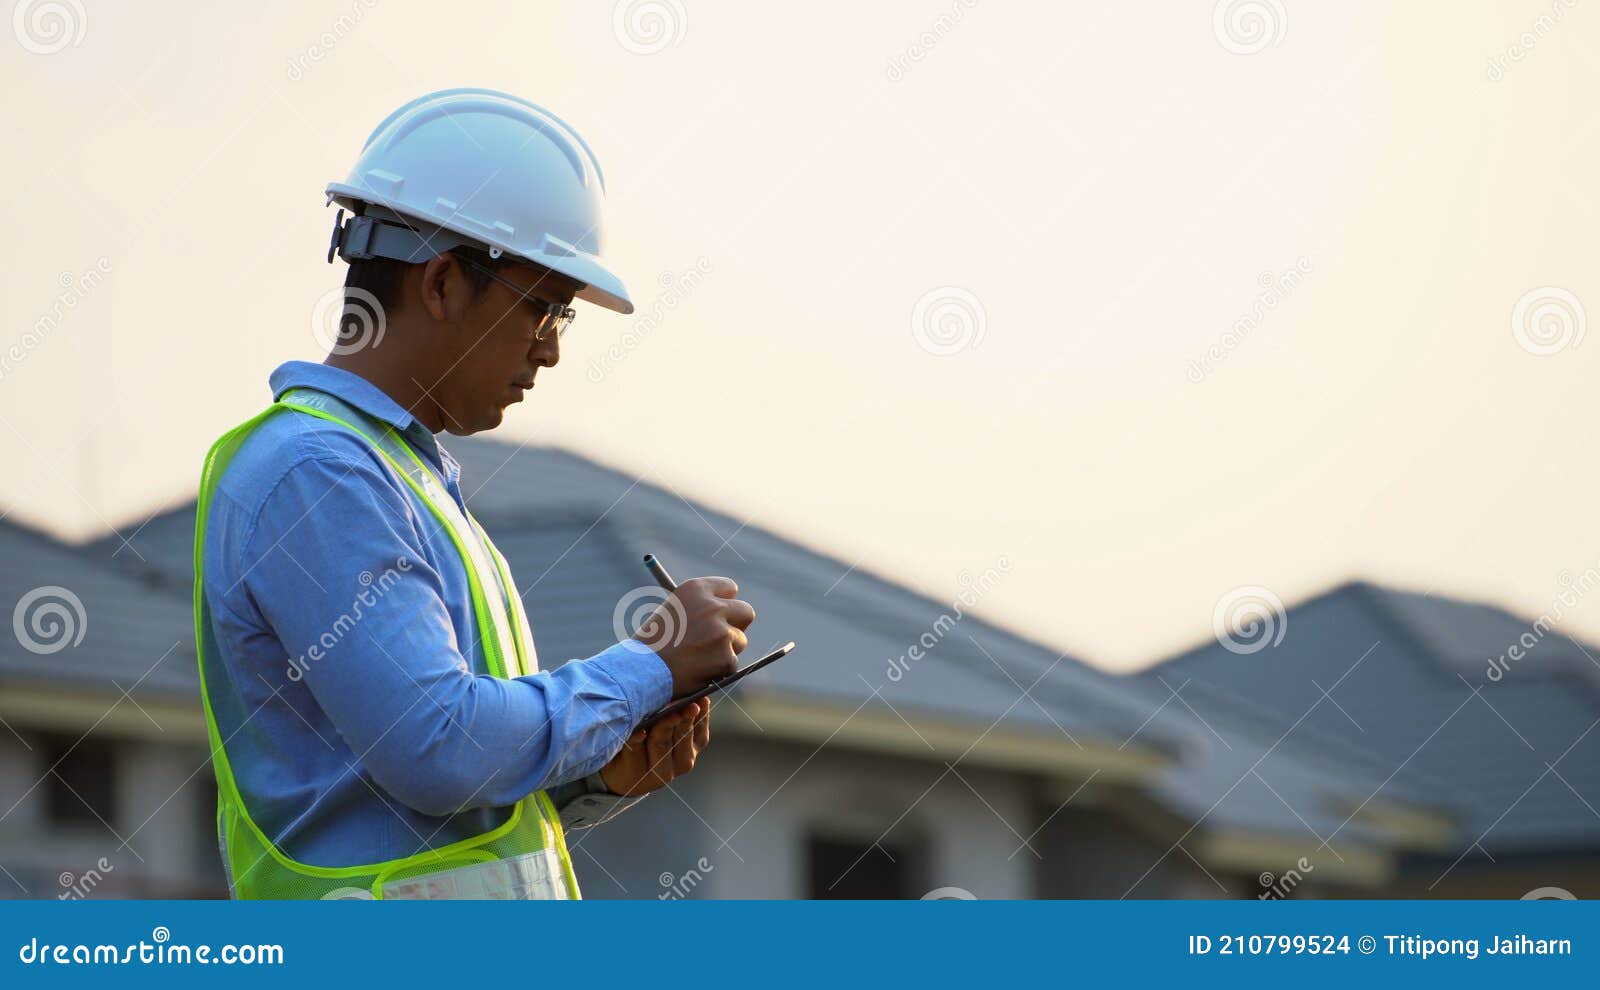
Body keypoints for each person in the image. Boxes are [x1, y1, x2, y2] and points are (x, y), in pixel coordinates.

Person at [192, 88, 754, 899]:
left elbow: (420, 806)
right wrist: (647, 667)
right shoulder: (318, 473)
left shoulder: (399, 475)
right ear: (444, 282)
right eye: (544, 309)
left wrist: (598, 776)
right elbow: (440, 746)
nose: (551, 352)